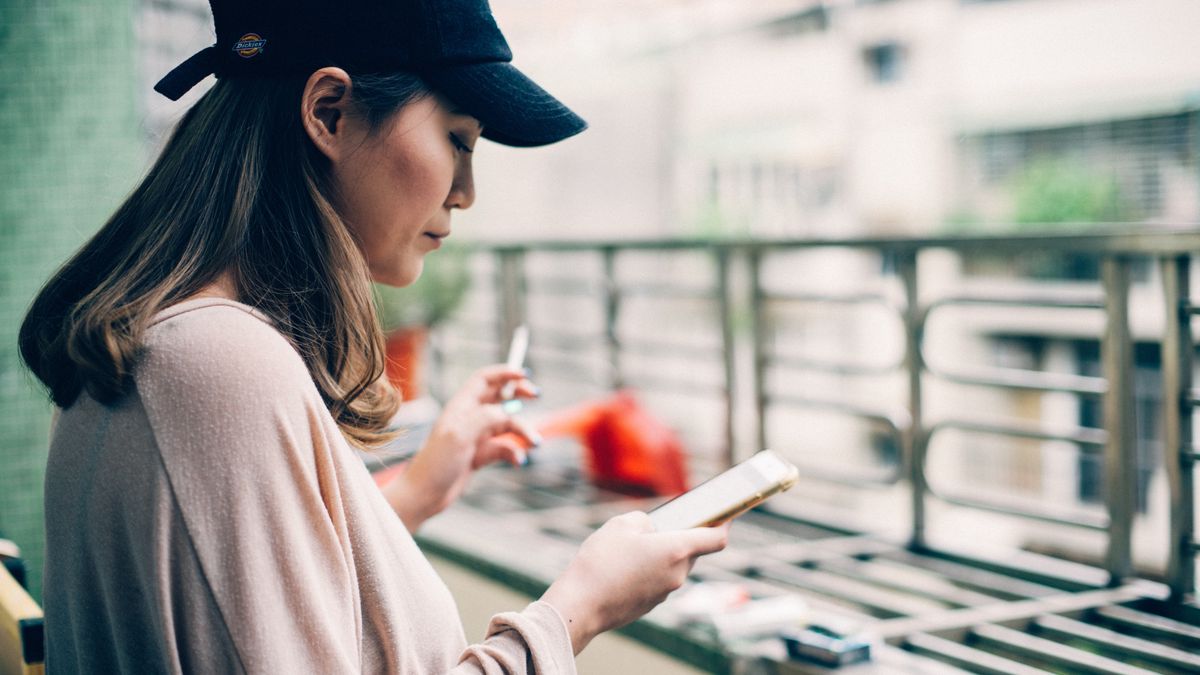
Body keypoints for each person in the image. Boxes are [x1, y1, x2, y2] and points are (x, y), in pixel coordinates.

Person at [18, 0, 729, 673]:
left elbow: (250, 603)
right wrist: (578, 609)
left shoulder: (161, 346)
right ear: (329, 112)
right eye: (458, 140)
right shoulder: (216, 365)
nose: (466, 191)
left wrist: (418, 490)